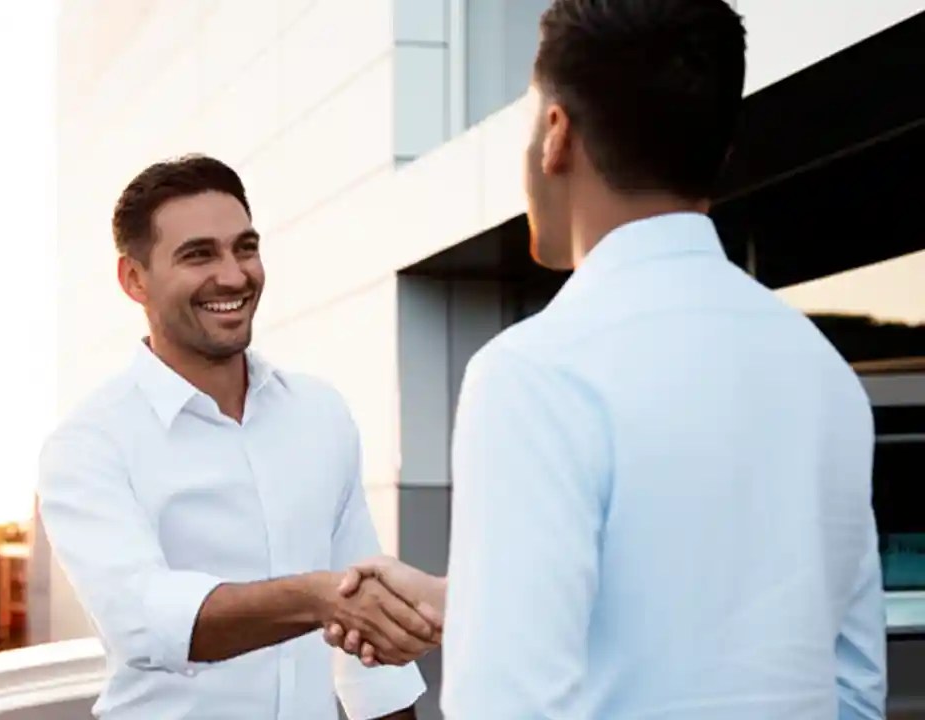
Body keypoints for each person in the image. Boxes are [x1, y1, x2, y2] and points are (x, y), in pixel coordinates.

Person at [326, 0, 886, 717]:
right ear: (717, 150)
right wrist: (475, 602)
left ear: (555, 133)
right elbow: (851, 687)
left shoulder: (534, 373)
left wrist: (491, 621)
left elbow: (513, 704)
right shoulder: (824, 374)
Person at [37, 154, 434, 720]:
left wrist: (348, 609)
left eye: (244, 247)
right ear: (134, 280)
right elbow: (146, 622)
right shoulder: (88, 444)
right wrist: (318, 598)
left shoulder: (319, 414)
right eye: (199, 254)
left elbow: (370, 655)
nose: (233, 274)